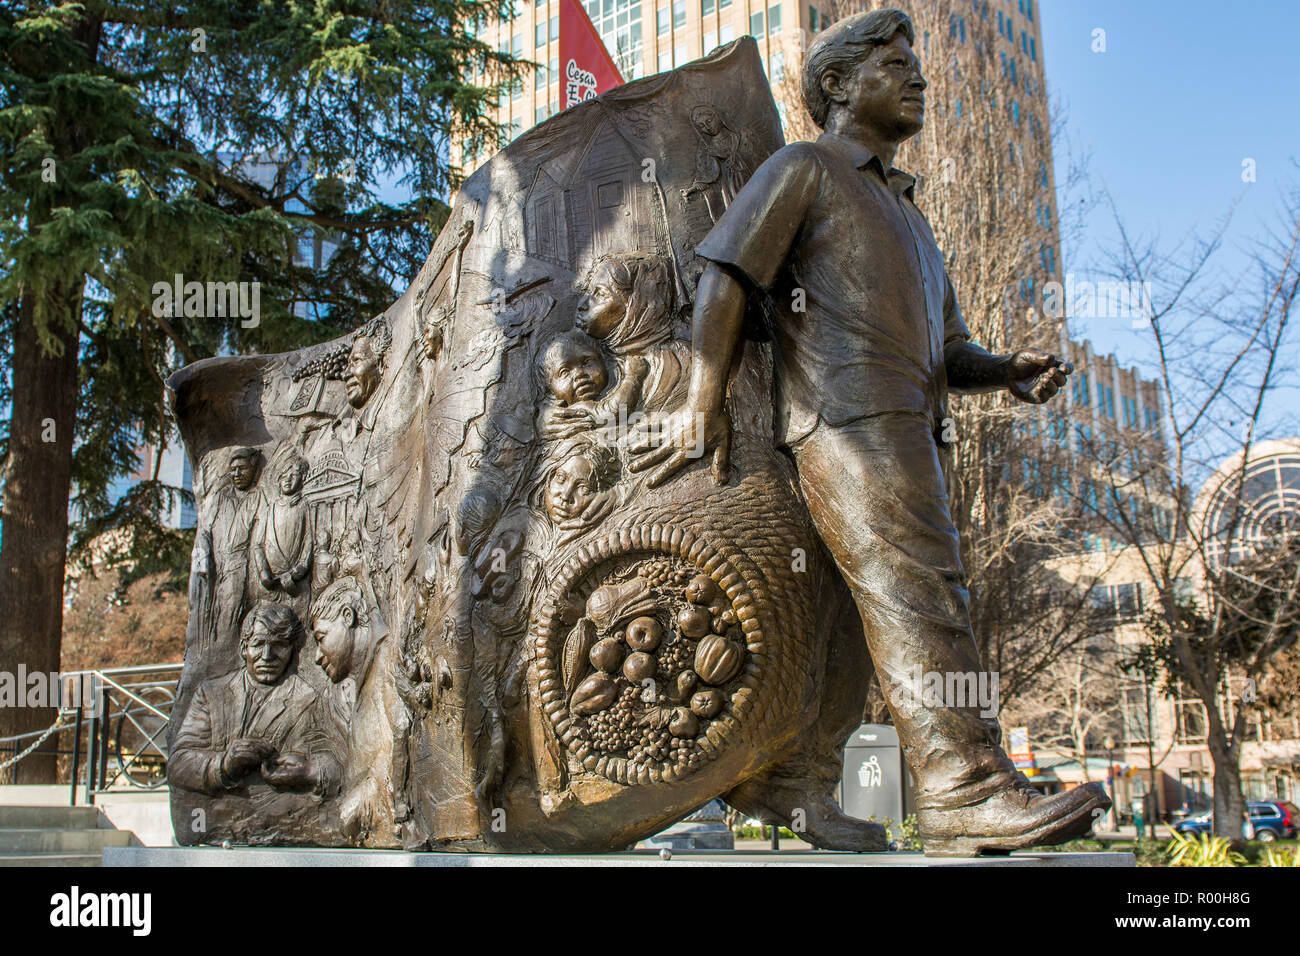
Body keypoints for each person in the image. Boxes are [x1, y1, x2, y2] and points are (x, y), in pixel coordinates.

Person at [629, 9, 1108, 855]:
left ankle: (797, 782)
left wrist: (1003, 370)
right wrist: (701, 395)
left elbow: (950, 347)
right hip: (846, 425)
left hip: (914, 427)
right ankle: (964, 789)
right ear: (840, 86)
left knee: (846, 618)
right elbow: (727, 277)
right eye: (896, 65)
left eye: (913, 65)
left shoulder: (913, 219)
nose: (917, 78)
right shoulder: (805, 169)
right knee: (922, 594)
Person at [170, 601, 341, 797]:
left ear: (293, 650)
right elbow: (178, 765)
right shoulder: (211, 694)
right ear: (244, 648)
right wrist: (224, 765)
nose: (267, 656)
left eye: (278, 645)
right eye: (259, 644)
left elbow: (339, 764)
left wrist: (308, 771)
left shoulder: (309, 699)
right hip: (221, 816)